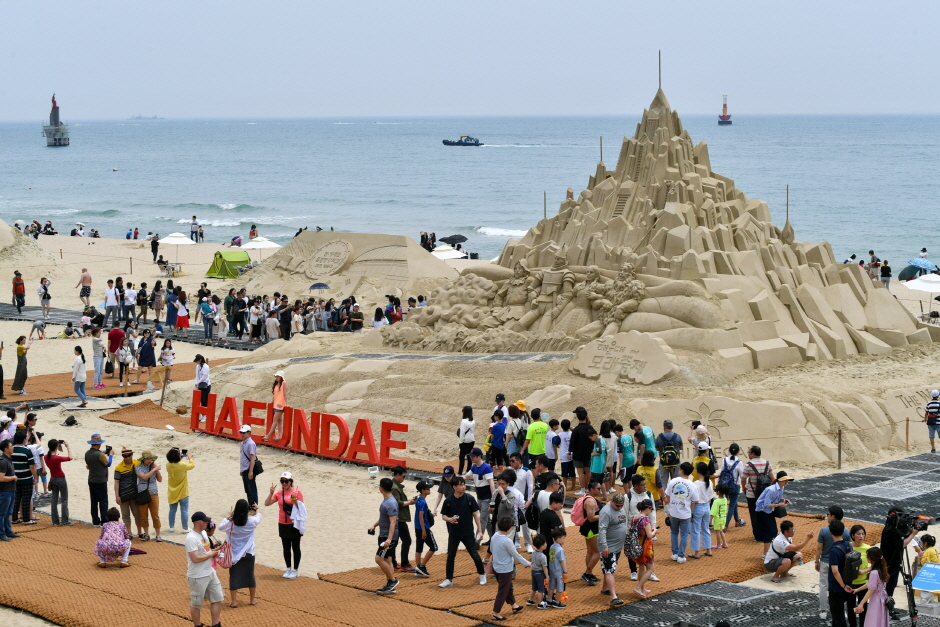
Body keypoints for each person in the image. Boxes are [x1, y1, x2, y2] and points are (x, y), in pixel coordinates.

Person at [439, 475, 486, 588]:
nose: (463, 487)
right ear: (454, 487)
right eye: (460, 485)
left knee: (474, 554)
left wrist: (479, 531)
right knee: (450, 556)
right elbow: (443, 516)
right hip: (454, 533)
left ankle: (482, 574)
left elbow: (476, 515)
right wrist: (449, 519)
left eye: (464, 484)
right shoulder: (449, 500)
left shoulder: (469, 498)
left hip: (467, 532)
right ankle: (448, 579)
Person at [218, 499, 261, 607]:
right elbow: (258, 517)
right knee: (250, 575)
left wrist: (228, 515)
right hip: (248, 553)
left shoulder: (230, 523)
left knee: (234, 576)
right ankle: (252, 600)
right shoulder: (251, 522)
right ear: (247, 510)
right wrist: (257, 509)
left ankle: (233, 601)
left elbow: (220, 527)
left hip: (234, 554)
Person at [186, 511, 223, 627]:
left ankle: (215, 624)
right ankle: (197, 625)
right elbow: (195, 559)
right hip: (198, 575)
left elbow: (206, 551)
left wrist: (215, 552)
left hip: (210, 572)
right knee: (196, 604)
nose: (208, 522)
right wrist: (212, 554)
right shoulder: (191, 538)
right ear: (198, 522)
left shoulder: (204, 534)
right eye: (205, 520)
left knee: (217, 598)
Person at [816, 505, 852, 620]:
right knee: (840, 588)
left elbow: (818, 548)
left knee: (823, 586)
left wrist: (817, 561)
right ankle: (842, 611)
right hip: (840, 564)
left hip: (826, 562)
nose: (827, 516)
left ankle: (823, 610)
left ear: (833, 516)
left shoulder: (824, 530)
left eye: (828, 514)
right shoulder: (846, 531)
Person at [491, 516, 529, 620]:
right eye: (511, 527)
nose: (512, 529)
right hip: (505, 569)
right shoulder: (507, 541)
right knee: (503, 591)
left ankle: (514, 606)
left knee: (508, 588)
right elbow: (516, 555)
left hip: (496, 567)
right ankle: (496, 613)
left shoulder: (494, 536)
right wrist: (527, 563)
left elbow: (491, 549)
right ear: (508, 528)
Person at [624, 474, 660, 584]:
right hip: (633, 529)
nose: (645, 486)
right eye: (643, 484)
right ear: (635, 486)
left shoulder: (648, 494)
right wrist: (626, 531)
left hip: (646, 528)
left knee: (647, 550)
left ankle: (650, 572)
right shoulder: (628, 497)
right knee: (633, 549)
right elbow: (625, 514)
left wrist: (653, 526)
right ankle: (633, 571)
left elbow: (652, 511)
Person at [598, 491, 628, 606]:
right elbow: (602, 530)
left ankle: (605, 588)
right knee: (610, 570)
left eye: (621, 505)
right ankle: (613, 597)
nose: (619, 508)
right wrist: (604, 546)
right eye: (617, 506)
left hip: (617, 545)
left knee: (609, 568)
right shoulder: (606, 512)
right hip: (608, 547)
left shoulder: (621, 508)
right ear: (611, 502)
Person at [371, 477, 401, 594]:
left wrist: (389, 539)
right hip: (385, 534)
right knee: (388, 559)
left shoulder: (391, 503)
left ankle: (392, 581)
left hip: (388, 536)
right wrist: (374, 525)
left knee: (378, 559)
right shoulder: (387, 501)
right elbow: (384, 518)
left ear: (381, 488)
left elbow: (393, 522)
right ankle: (390, 584)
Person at [754, 470, 791, 559]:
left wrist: (783, 500)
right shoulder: (771, 490)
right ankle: (765, 554)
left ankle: (770, 552)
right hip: (762, 512)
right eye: (785, 480)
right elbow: (766, 505)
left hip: (769, 511)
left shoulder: (781, 488)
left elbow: (777, 498)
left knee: (773, 531)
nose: (786, 482)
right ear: (780, 480)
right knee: (768, 532)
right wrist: (779, 504)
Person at [828, 520, 858, 627]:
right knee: (837, 619)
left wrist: (843, 586)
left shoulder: (834, 550)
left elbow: (835, 571)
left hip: (837, 587)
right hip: (849, 582)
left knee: (838, 616)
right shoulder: (848, 545)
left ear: (831, 532)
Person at [665, 461, 695, 563]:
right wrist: (690, 511)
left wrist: (670, 507)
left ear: (681, 471)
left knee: (674, 532)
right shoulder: (692, 485)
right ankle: (681, 555)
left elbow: (667, 496)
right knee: (684, 534)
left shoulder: (673, 481)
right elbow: (694, 500)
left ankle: (675, 553)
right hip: (685, 513)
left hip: (673, 512)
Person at [742, 445, 773, 542]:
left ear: (753, 454)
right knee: (766, 514)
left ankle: (758, 536)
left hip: (752, 494)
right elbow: (773, 478)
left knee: (754, 515)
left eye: (749, 453)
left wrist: (744, 488)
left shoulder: (748, 465)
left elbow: (743, 479)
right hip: (765, 494)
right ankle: (767, 534)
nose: (748, 455)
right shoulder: (767, 463)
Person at [388, 465, 416, 572]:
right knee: (406, 541)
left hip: (396, 518)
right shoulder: (395, 488)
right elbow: (398, 503)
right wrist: (410, 502)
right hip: (399, 519)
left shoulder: (394, 485)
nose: (404, 478)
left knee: (395, 542)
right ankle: (404, 564)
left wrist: (408, 501)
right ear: (398, 475)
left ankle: (394, 563)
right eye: (403, 476)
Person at [853, 546, 889, 626]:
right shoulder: (882, 569)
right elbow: (871, 583)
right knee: (880, 620)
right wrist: (858, 589)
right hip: (883, 597)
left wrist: (861, 603)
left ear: (871, 557)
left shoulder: (874, 572)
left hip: (876, 600)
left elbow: (871, 589)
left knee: (873, 620)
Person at [465, 447, 495, 542]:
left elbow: (491, 483)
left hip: (487, 497)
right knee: (487, 520)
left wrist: (493, 499)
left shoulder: (486, 468)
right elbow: (466, 476)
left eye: (473, 456)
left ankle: (476, 541)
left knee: (482, 519)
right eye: (471, 456)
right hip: (480, 496)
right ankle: (493, 538)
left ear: (479, 456)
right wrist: (456, 479)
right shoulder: (474, 467)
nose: (471, 458)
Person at [630, 498, 656, 599]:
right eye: (651, 510)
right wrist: (655, 531)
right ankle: (638, 587)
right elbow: (649, 535)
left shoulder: (634, 518)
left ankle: (642, 589)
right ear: (648, 508)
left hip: (637, 546)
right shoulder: (645, 520)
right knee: (650, 569)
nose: (651, 512)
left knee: (641, 567)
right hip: (646, 548)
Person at [578, 481, 603, 586]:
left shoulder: (588, 497)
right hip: (592, 529)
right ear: (592, 489)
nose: (600, 490)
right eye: (598, 488)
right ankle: (587, 573)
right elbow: (591, 518)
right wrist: (604, 516)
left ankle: (590, 574)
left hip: (589, 528)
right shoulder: (590, 501)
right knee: (599, 552)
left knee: (591, 552)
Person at [135, 450, 163, 541]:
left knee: (155, 515)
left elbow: (160, 479)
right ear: (143, 459)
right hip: (142, 493)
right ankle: (147, 534)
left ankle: (158, 534)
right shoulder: (138, 467)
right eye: (147, 459)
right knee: (143, 515)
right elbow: (144, 477)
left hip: (153, 493)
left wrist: (157, 470)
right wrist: (154, 469)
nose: (149, 460)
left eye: (150, 458)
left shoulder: (153, 467)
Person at [689, 461, 715, 559]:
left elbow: (693, 500)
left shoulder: (695, 484)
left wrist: (691, 512)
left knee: (695, 530)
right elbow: (710, 498)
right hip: (707, 507)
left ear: (698, 471)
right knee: (706, 529)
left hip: (698, 507)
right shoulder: (709, 483)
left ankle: (696, 553)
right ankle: (708, 550)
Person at [85, 433, 112, 526]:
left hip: (91, 480)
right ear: (98, 444)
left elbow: (89, 464)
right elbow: (108, 464)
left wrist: (103, 453)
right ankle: (104, 520)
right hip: (101, 481)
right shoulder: (100, 454)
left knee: (94, 501)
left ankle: (95, 521)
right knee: (103, 501)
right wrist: (111, 455)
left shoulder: (87, 453)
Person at [113, 447, 141, 536]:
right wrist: (117, 496)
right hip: (123, 495)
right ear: (122, 456)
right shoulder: (118, 467)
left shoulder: (137, 462)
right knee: (125, 515)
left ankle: (140, 532)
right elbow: (116, 483)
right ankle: (129, 533)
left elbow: (148, 459)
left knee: (137, 514)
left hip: (134, 494)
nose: (128, 458)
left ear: (132, 455)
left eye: (129, 455)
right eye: (125, 456)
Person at [166, 447, 195, 533]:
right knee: (184, 510)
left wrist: (179, 458)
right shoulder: (182, 466)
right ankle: (185, 528)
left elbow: (175, 464)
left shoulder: (168, 465)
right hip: (183, 492)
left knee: (172, 510)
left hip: (172, 492)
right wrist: (189, 457)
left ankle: (171, 527)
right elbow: (192, 465)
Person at [45, 438, 72, 525]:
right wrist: (68, 447)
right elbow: (70, 457)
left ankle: (55, 521)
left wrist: (57, 444)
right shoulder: (56, 458)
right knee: (64, 499)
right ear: (56, 447)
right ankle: (64, 521)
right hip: (60, 478)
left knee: (54, 499)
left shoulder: (46, 457)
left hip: (53, 478)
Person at [11, 431, 36, 525]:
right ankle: (27, 519)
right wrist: (35, 478)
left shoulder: (11, 449)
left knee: (15, 499)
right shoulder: (27, 450)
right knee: (26, 499)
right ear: (24, 439)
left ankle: (14, 519)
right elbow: (32, 466)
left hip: (14, 479)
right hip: (26, 478)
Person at [413, 481, 437, 577]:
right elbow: (421, 516)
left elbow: (415, 500)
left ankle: (418, 568)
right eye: (427, 488)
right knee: (433, 547)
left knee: (419, 548)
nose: (429, 489)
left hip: (417, 527)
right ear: (423, 490)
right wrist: (424, 530)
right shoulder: (422, 501)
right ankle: (421, 566)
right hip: (424, 528)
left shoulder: (418, 498)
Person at [848, 525, 871, 623]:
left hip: (863, 583)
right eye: (858, 534)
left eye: (863, 534)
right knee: (850, 608)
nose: (861, 536)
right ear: (853, 536)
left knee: (863, 608)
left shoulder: (868, 548)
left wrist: (865, 570)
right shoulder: (848, 547)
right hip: (850, 583)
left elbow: (877, 564)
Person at [720, 443, 746, 528]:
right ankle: (725, 526)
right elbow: (742, 475)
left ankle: (737, 520)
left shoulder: (724, 460)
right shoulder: (739, 462)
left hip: (725, 485)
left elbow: (722, 472)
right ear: (738, 451)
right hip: (735, 485)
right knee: (732, 504)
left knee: (734, 502)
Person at [0, 438, 18, 541]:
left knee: (7, 513)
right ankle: (2, 534)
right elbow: (1, 478)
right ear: (6, 449)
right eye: (11, 446)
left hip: (10, 490)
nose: (12, 447)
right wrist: (13, 477)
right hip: (5, 491)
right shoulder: (3, 462)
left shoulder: (8, 460)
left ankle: (8, 532)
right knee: (2, 514)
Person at [656, 419, 683, 486]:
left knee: (663, 482)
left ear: (664, 427)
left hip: (663, 463)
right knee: (676, 482)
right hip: (675, 463)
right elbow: (681, 448)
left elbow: (657, 448)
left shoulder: (659, 437)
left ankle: (664, 496)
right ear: (672, 427)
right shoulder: (677, 436)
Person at [547, 527, 568, 608]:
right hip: (559, 571)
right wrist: (565, 572)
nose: (564, 540)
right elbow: (562, 561)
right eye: (563, 538)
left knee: (551, 586)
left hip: (552, 570)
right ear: (558, 539)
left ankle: (549, 600)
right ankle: (557, 602)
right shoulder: (560, 549)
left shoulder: (552, 547)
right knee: (560, 587)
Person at [238, 424, 259, 506]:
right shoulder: (243, 443)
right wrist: (241, 470)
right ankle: (251, 506)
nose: (242, 434)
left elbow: (252, 458)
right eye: (241, 432)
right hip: (244, 469)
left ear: (249, 433)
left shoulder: (251, 443)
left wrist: (250, 471)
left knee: (252, 489)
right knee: (247, 489)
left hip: (249, 469)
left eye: (244, 433)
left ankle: (254, 506)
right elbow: (242, 457)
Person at [265, 371, 288, 442]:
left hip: (281, 404)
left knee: (275, 420)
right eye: (276, 376)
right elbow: (274, 394)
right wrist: (272, 402)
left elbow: (284, 394)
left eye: (278, 376)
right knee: (279, 421)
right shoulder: (276, 384)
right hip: (276, 404)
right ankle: (280, 436)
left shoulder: (284, 383)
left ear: (281, 377)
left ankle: (269, 435)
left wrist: (286, 404)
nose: (276, 377)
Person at [457, 406, 475, 474]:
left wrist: (461, 442)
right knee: (469, 456)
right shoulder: (473, 421)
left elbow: (462, 433)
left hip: (464, 441)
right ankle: (468, 470)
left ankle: (460, 473)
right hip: (471, 440)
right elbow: (472, 431)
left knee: (462, 457)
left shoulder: (463, 421)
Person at [711, 483, 729, 550]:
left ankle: (718, 544)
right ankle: (724, 543)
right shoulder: (725, 499)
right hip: (723, 518)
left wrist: (710, 519)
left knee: (717, 532)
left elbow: (713, 511)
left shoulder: (716, 501)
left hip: (717, 519)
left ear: (718, 492)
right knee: (721, 531)